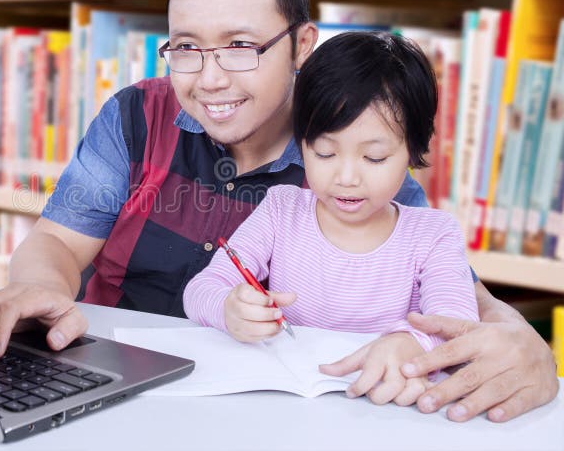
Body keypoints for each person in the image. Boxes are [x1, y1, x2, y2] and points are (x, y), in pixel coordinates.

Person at [0, 0, 559, 423]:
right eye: (188, 49)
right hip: (100, 386)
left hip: (256, 414)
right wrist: (41, 286)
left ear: (302, 44)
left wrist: (525, 342)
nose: (211, 78)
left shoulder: (348, 156)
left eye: (241, 46)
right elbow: (58, 240)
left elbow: (450, 288)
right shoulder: (134, 115)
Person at [183, 31, 480, 407]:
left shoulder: (432, 235)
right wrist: (229, 309)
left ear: (413, 150)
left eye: (373, 158)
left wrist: (410, 342)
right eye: (324, 153)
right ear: (302, 143)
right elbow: (201, 288)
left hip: (387, 411)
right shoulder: (281, 211)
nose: (347, 178)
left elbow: (457, 322)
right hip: (285, 407)